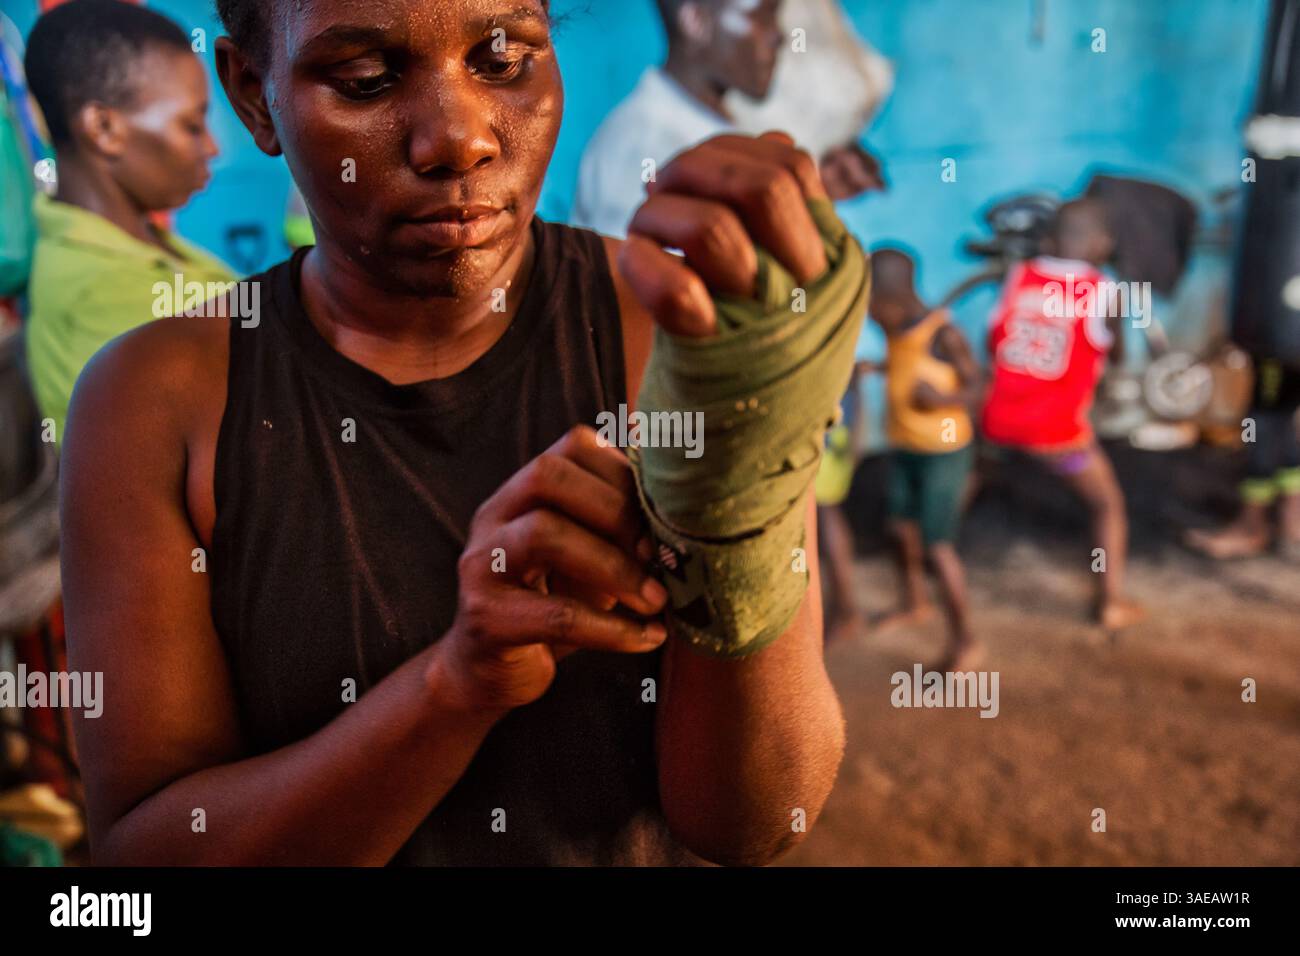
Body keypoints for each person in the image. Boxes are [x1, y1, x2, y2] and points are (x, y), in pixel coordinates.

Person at [59, 0, 855, 866]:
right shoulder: (154, 401)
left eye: (506, 61)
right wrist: (453, 688)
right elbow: (140, 862)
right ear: (255, 98)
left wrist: (744, 513)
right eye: (366, 81)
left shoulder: (670, 333)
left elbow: (758, 824)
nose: (457, 140)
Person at [21, 0, 233, 445]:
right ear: (103, 128)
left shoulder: (140, 246)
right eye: (191, 126)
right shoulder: (100, 291)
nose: (211, 147)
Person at [571, 0, 883, 238]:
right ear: (696, 22)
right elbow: (634, 305)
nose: (779, 36)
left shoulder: (723, 129)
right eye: (760, 16)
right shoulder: (645, 146)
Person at [981, 200, 1145, 633]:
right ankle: (1110, 601)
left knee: (980, 468)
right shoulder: (1103, 290)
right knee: (1107, 503)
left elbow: (991, 339)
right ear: (1104, 244)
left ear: (1052, 239)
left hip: (998, 421)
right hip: (1059, 439)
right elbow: (1116, 352)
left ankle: (929, 552)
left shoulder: (1022, 275)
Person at [869, 248, 982, 670]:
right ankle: (915, 603)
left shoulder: (943, 334)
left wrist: (942, 400)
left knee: (938, 548)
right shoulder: (898, 329)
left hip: (943, 454)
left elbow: (977, 388)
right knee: (900, 528)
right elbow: (906, 363)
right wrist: (879, 368)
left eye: (871, 308)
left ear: (891, 299)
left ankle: (965, 640)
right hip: (907, 447)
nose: (869, 317)